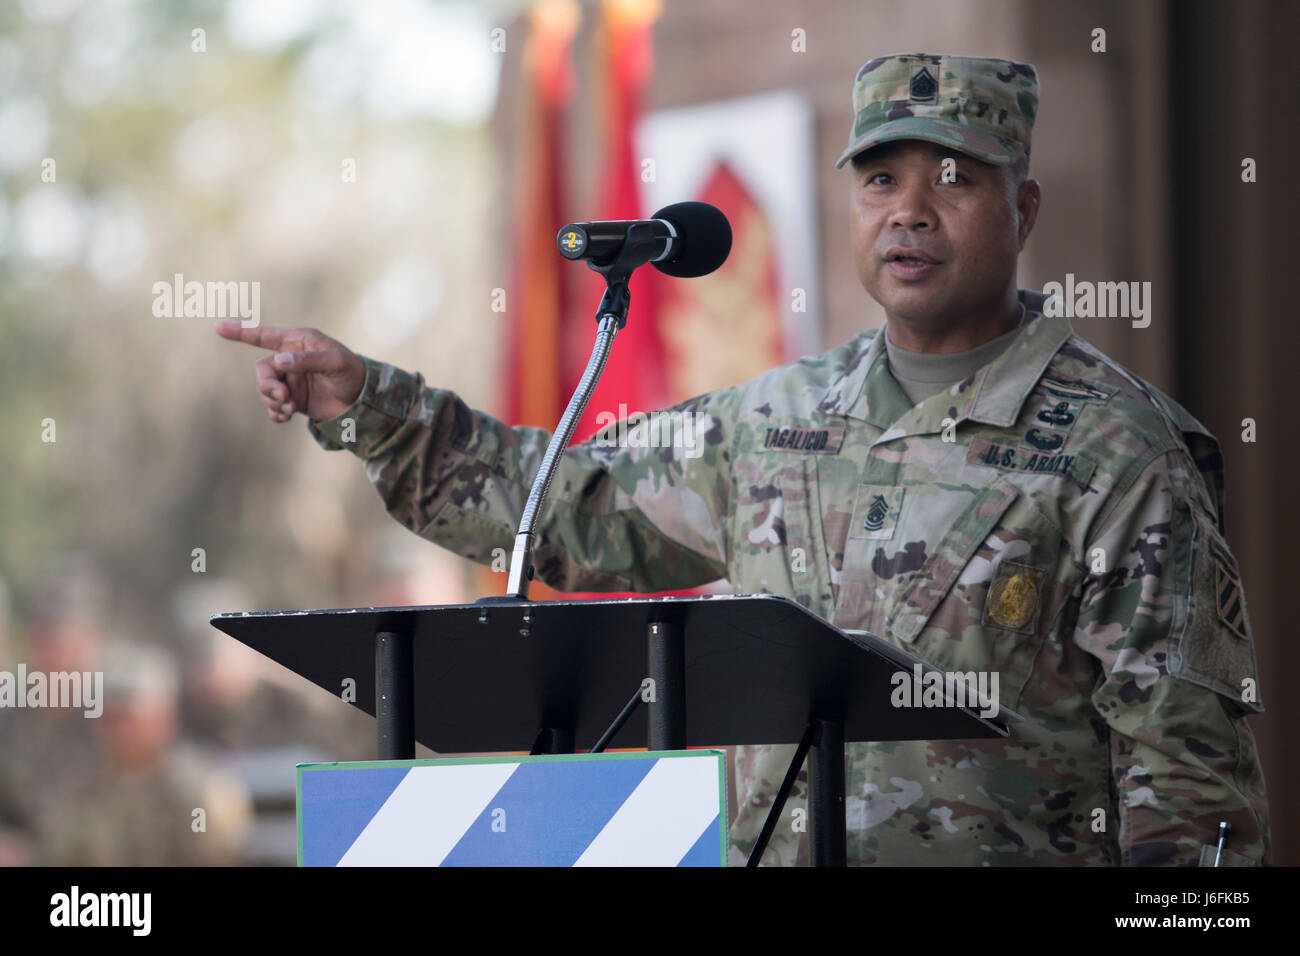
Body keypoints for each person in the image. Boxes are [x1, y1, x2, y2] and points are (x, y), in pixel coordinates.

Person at [216, 52, 1270, 866]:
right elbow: (561, 508)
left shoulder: (1116, 444)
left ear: (1023, 209)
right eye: (879, 177)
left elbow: (1185, 771)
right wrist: (371, 405)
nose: (907, 208)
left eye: (952, 178)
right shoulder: (773, 418)